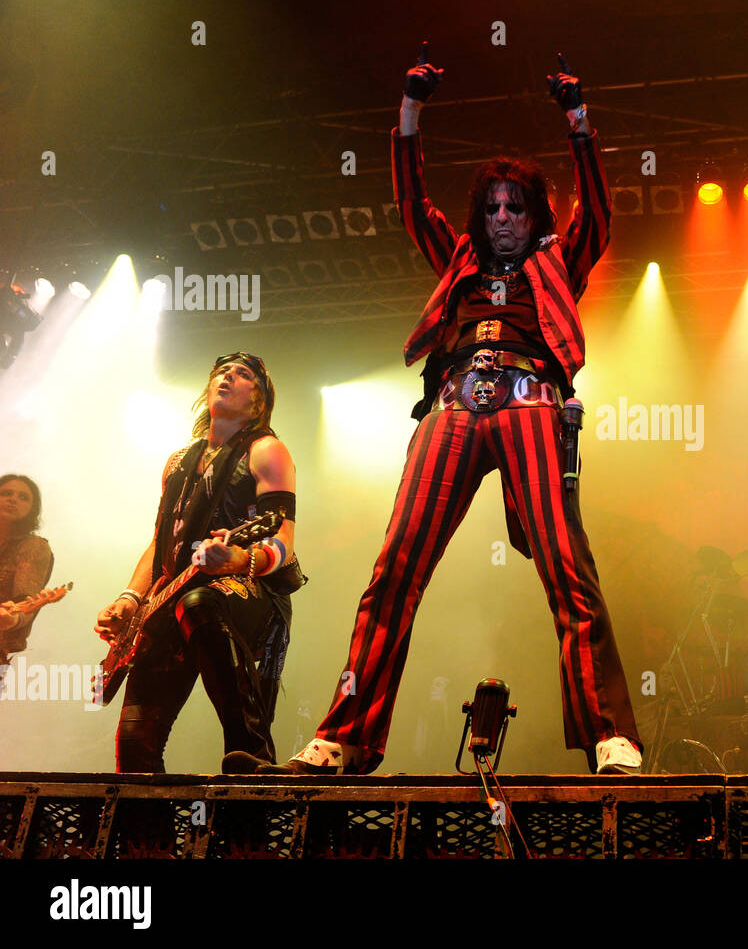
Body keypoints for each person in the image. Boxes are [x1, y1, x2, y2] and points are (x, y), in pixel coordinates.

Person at [234, 49, 640, 776]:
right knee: (394, 569)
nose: (505, 218)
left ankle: (611, 734)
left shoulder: (555, 260)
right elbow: (410, 204)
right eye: (493, 207)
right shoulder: (458, 261)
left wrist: (578, 122)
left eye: (517, 207)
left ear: (534, 213)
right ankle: (344, 735)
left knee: (567, 570)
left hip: (531, 402)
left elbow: (600, 210)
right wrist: (410, 116)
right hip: (452, 405)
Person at [93, 353, 301, 772]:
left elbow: (284, 543)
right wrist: (131, 599)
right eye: (222, 371)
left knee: (200, 602)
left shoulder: (267, 450)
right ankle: (148, 839)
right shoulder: (177, 463)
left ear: (258, 401)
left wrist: (239, 557)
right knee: (134, 747)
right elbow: (160, 543)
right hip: (170, 597)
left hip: (245, 594)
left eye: (243, 375)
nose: (229, 376)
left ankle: (250, 754)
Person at [0, 474, 55, 666]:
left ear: (32, 510)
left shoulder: (33, 546)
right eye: (6, 493)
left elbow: (24, 601)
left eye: (23, 497)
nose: (13, 499)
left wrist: (13, 620)